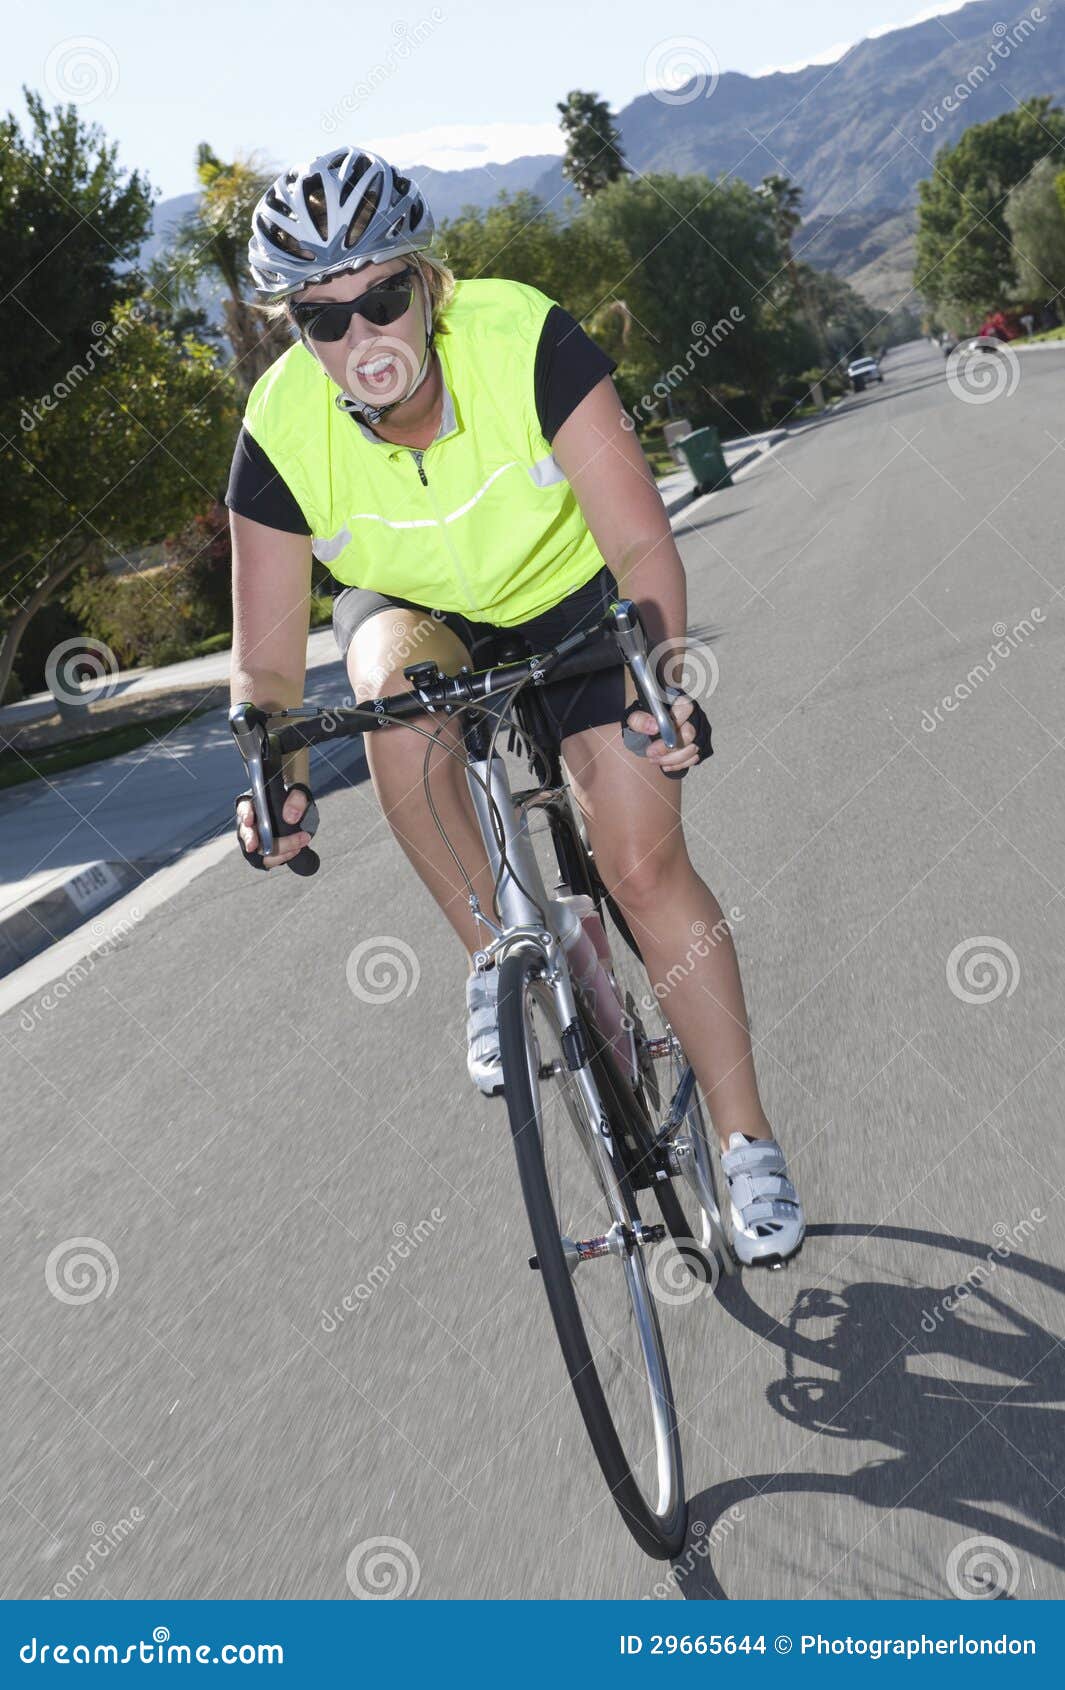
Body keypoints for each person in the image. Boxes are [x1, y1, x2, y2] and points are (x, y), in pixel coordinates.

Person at [228, 147, 806, 1266]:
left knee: (641, 866)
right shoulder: (280, 426)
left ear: (427, 285)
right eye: (322, 320)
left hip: (577, 603)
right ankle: (497, 955)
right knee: (388, 689)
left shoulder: (522, 337)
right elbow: (264, 668)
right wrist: (276, 779)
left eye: (381, 299)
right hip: (418, 616)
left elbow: (639, 537)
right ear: (296, 329)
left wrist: (661, 674)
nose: (360, 340)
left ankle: (747, 1144)